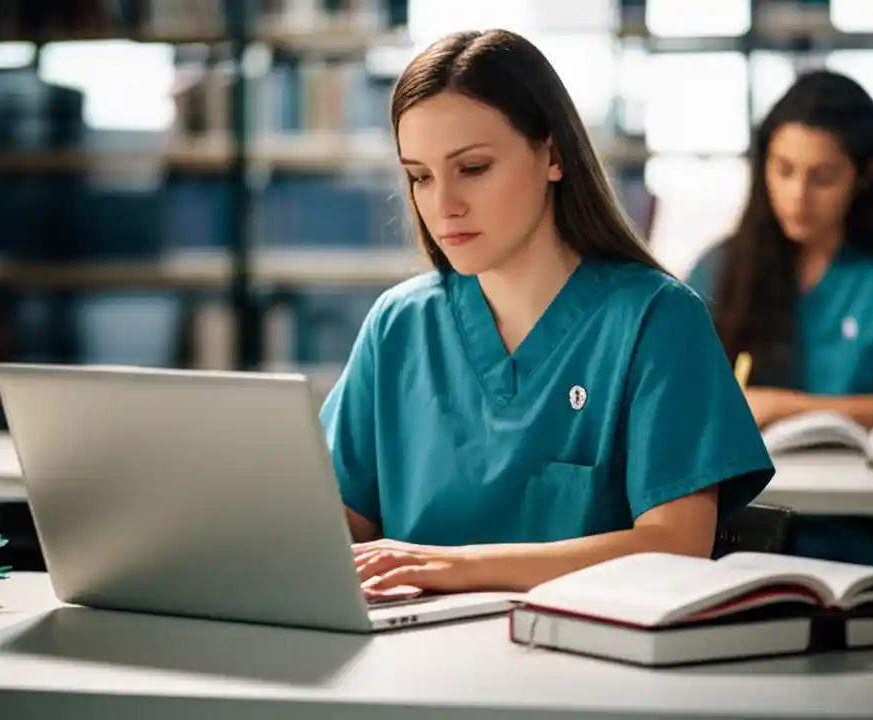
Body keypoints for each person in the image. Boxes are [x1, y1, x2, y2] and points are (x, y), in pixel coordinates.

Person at [319, 29, 774, 599]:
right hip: (410, 664)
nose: (443, 205)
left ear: (552, 156)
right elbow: (336, 523)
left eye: (474, 168)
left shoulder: (656, 320)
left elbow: (676, 543)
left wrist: (460, 568)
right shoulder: (397, 326)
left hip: (592, 667)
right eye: (420, 176)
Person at [686, 70, 873, 578]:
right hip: (747, 535)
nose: (798, 195)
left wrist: (774, 406)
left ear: (866, 175)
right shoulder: (721, 267)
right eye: (784, 169)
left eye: (823, 177)